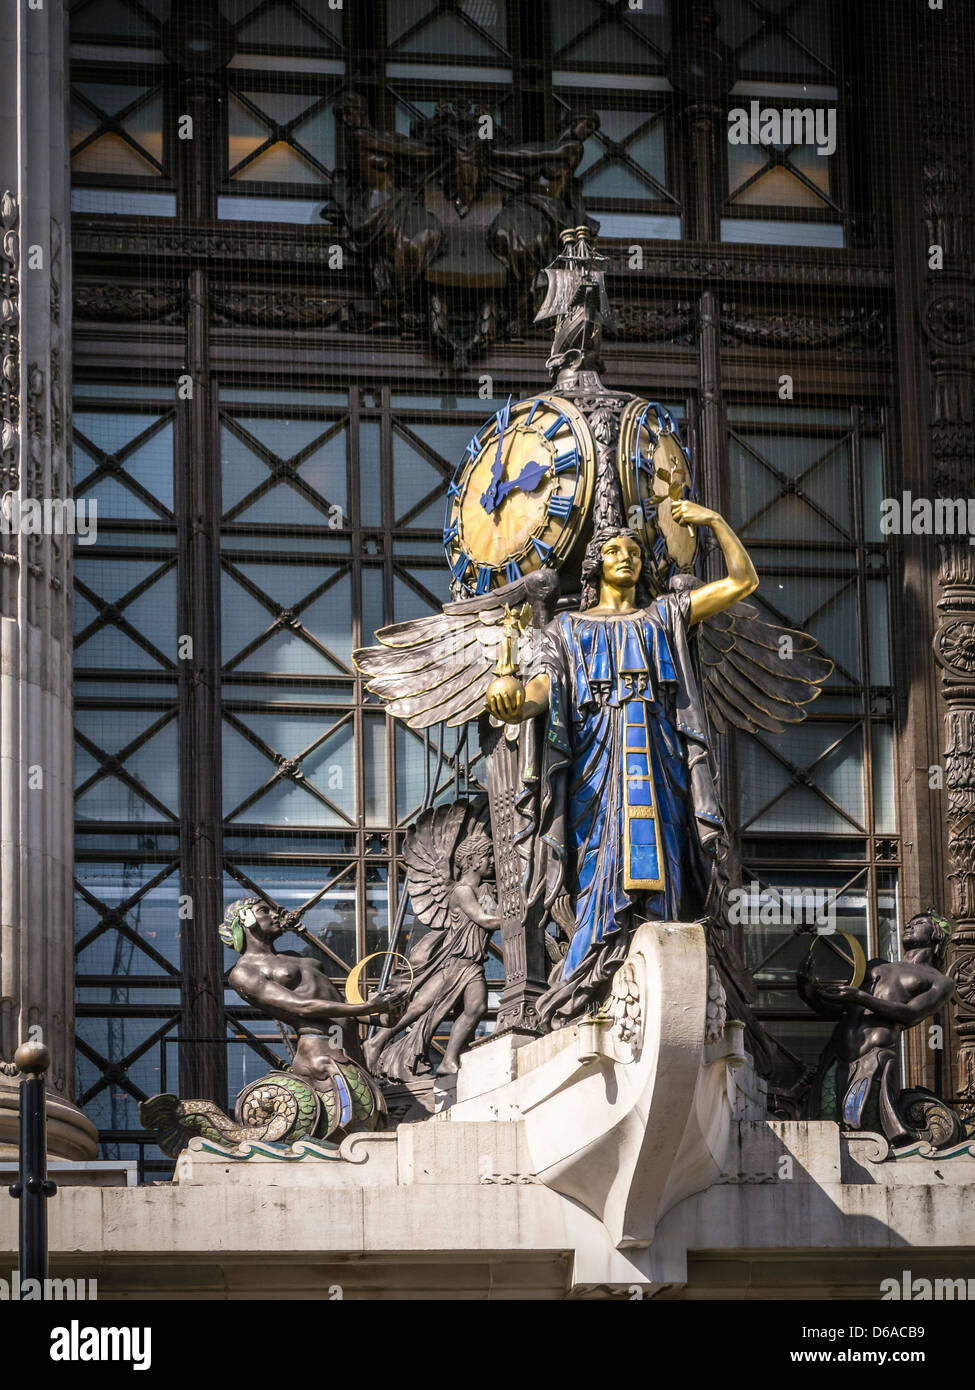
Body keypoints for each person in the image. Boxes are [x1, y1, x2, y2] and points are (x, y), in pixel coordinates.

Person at [485, 505, 758, 1025]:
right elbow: (541, 690)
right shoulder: (565, 629)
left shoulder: (665, 617)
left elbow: (742, 582)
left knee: (669, 858)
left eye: (634, 552)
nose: (626, 559)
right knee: (599, 865)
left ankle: (668, 972)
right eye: (614, 551)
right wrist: (513, 699)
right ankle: (595, 976)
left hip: (662, 767)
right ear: (595, 566)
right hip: (596, 770)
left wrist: (715, 522)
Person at [799, 910, 957, 1143]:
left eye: (919, 923)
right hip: (836, 1056)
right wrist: (808, 991)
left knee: (863, 1131)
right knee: (822, 1131)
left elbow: (911, 1015)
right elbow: (835, 1009)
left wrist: (861, 997)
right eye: (908, 922)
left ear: (936, 934)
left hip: (874, 1060)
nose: (908, 926)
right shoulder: (876, 966)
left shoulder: (940, 981)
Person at [363, 825, 501, 1079]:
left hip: (469, 964)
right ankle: (378, 1041)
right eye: (488, 856)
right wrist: (516, 913)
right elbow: (485, 920)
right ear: (471, 861)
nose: (492, 862)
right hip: (457, 962)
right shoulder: (461, 891)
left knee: (467, 1007)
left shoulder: (484, 890)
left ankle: (448, 1059)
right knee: (424, 1007)